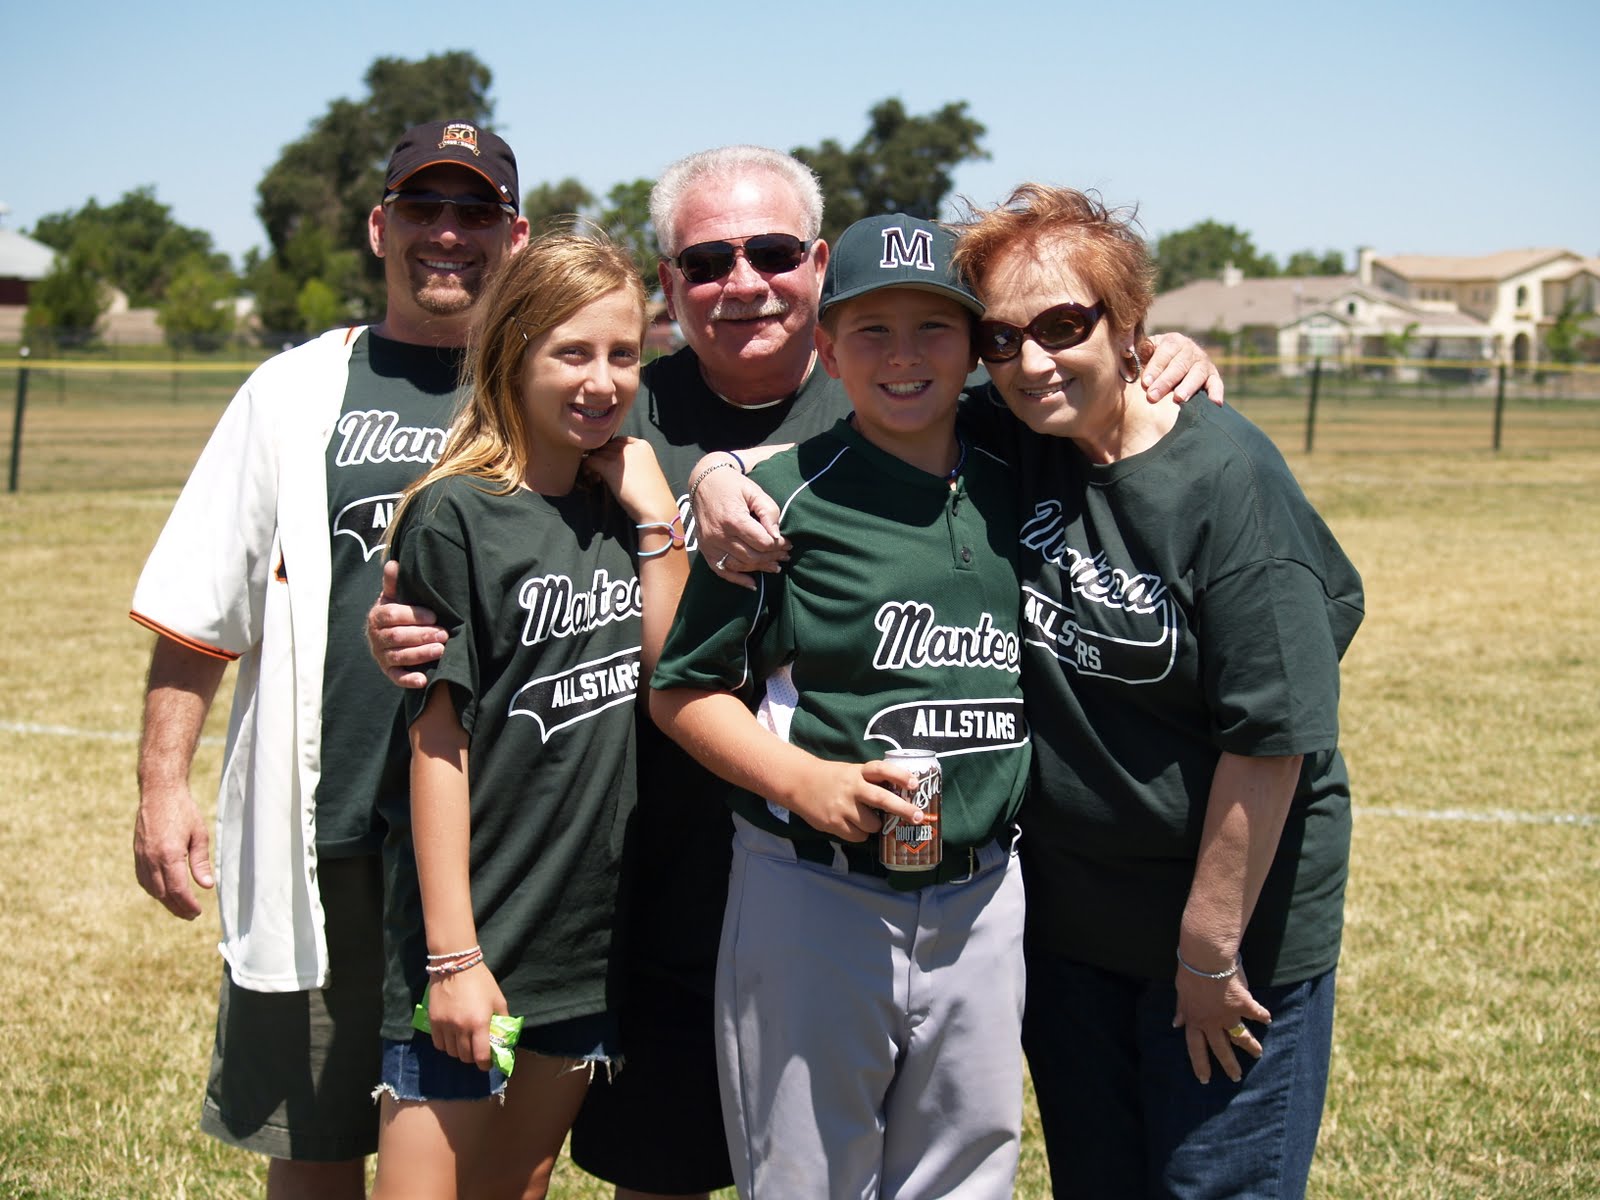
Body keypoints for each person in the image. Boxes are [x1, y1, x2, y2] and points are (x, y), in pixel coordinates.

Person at [365, 145, 1220, 1200]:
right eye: (706, 261)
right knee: (671, 1166)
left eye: (770, 252)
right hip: (654, 877)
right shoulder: (620, 406)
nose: (743, 282)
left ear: (815, 270)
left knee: (939, 1156)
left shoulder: (969, 420)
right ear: (672, 283)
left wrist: (1153, 351)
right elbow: (505, 557)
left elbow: (1069, 379)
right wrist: (415, 625)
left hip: (924, 880)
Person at [130, 120, 529, 1199]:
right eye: (422, 206)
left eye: (476, 210)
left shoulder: (551, 386)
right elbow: (201, 605)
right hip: (326, 832)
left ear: (516, 235)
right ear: (378, 227)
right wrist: (163, 787)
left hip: (499, 842)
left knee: (483, 1154)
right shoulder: (295, 389)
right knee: (315, 1143)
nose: (447, 232)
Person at [949, 184, 1362, 1198]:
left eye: (1063, 325)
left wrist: (1208, 955)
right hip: (1075, 932)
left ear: (1129, 322)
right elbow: (866, 415)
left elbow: (1272, 738)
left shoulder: (1225, 480)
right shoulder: (1012, 434)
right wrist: (719, 476)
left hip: (1228, 934)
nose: (1030, 360)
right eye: (999, 337)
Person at [649, 212, 1032, 1199]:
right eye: (872, 330)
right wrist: (802, 782)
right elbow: (683, 690)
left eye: (933, 327)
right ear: (826, 350)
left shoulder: (1022, 485)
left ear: (974, 348)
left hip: (983, 893)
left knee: (968, 1172)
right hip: (815, 890)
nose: (904, 355)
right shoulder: (781, 501)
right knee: (806, 1177)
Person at [369, 228, 687, 1200]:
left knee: (516, 1186)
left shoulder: (621, 505)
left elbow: (674, 676)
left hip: (580, 944)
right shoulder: (457, 513)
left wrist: (656, 520)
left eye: (623, 353)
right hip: (475, 934)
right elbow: (437, 748)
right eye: (571, 352)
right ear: (513, 352)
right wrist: (453, 957)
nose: (602, 380)